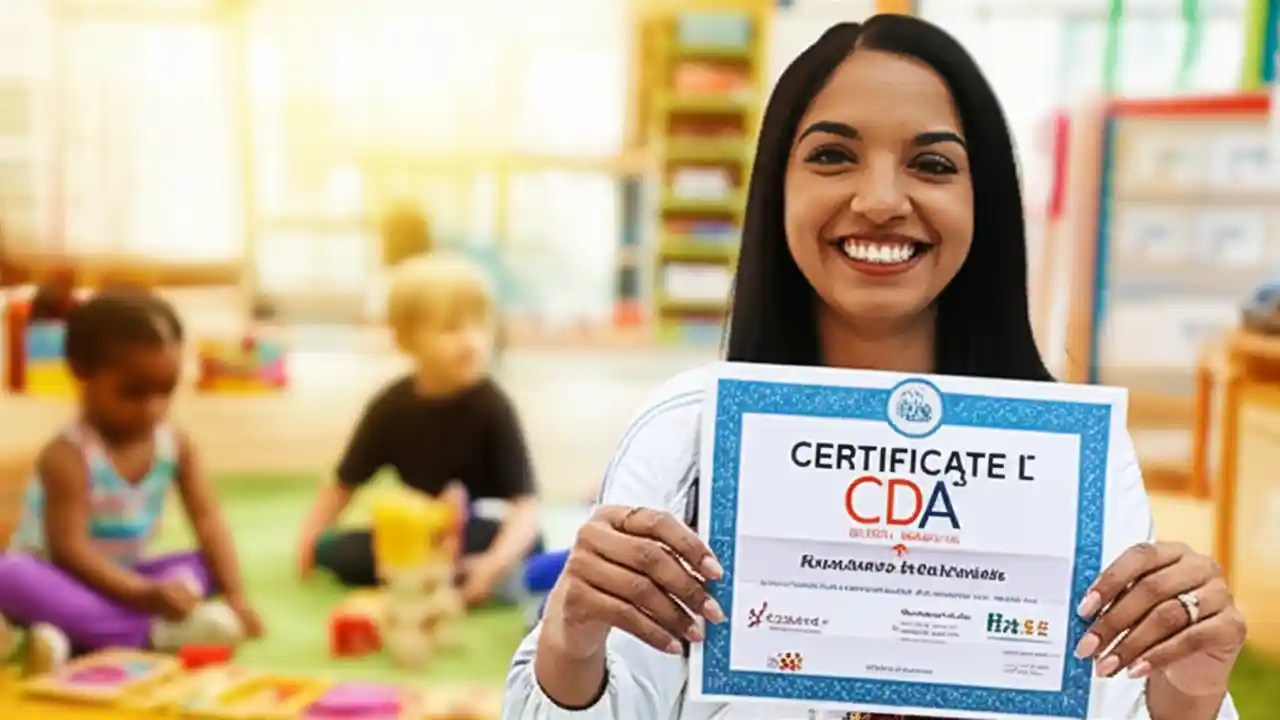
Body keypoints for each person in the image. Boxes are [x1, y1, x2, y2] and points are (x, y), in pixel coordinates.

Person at [503, 16, 1245, 720]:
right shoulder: (684, 435)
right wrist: (572, 637)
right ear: (776, 187)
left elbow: (1116, 702)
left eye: (932, 164)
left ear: (982, 200)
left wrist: (1190, 688)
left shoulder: (1074, 463)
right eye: (832, 155)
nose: (882, 200)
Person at [0, 292, 263, 669]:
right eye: (133, 393)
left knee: (200, 564)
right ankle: (152, 636)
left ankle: (72, 641)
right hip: (59, 577)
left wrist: (235, 595)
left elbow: (208, 520)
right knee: (9, 574)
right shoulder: (68, 456)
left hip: (125, 580)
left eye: (165, 391)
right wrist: (144, 596)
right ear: (81, 371)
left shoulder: (175, 444)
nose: (152, 409)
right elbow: (69, 551)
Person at [298, 253, 542, 606]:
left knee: (525, 548)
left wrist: (491, 566)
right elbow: (343, 484)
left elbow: (525, 508)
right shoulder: (390, 407)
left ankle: (454, 574)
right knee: (341, 550)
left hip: (482, 532)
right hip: (420, 535)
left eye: (479, 326)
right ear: (406, 339)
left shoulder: (492, 406)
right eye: (451, 329)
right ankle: (432, 574)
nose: (471, 341)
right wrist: (311, 536)